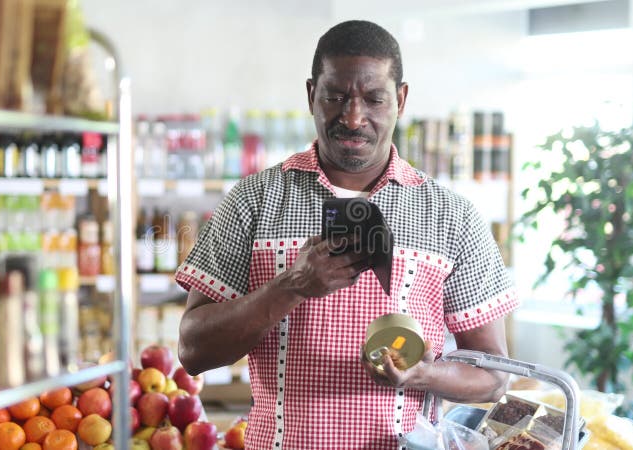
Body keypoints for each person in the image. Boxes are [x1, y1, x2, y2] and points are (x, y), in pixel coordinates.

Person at [176, 20, 518, 450]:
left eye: (374, 99)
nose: (353, 117)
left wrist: (424, 374)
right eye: (336, 96)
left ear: (401, 99)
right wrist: (291, 286)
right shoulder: (253, 200)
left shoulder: (451, 215)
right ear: (310, 94)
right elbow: (193, 351)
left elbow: (493, 377)